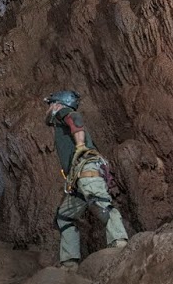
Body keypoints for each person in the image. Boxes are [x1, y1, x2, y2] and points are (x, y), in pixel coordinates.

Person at [44, 89, 129, 267]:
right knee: (64, 216)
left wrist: (81, 145)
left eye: (50, 104)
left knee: (100, 203)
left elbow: (75, 118)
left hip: (86, 171)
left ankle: (120, 244)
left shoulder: (63, 112)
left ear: (58, 104)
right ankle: (69, 264)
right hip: (77, 180)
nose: (49, 108)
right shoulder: (59, 126)